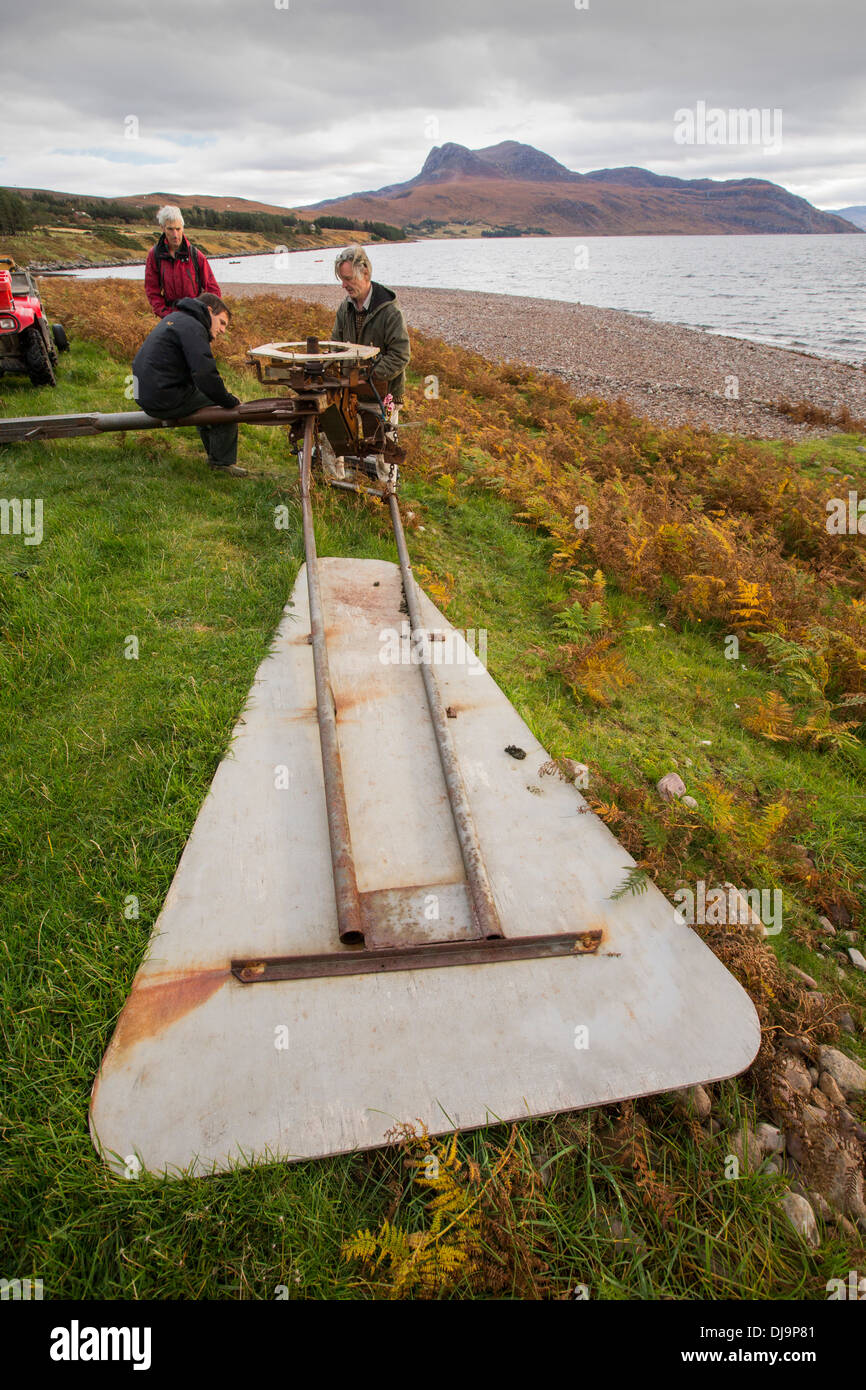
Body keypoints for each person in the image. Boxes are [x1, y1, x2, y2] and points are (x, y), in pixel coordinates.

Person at [131, 293, 247, 477]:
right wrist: (229, 401)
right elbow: (205, 374)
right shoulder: (194, 328)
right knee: (224, 408)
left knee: (205, 398)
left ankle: (215, 454)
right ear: (209, 311)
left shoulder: (175, 319)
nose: (223, 330)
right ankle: (221, 464)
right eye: (222, 322)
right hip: (164, 398)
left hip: (144, 394)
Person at [330, 247, 411, 481]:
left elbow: (401, 354)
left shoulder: (390, 313)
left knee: (384, 452)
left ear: (364, 273)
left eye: (348, 279)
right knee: (335, 439)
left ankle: (388, 497)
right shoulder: (344, 309)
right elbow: (336, 345)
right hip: (348, 393)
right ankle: (335, 486)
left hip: (382, 395)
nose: (344, 285)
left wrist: (371, 375)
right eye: (341, 279)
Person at [144, 205, 221, 318]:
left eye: (178, 229)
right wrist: (164, 312)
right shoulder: (155, 255)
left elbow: (213, 290)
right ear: (162, 228)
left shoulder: (196, 255)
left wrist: (202, 312)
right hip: (169, 317)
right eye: (170, 229)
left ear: (183, 228)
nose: (175, 234)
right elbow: (152, 290)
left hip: (195, 317)